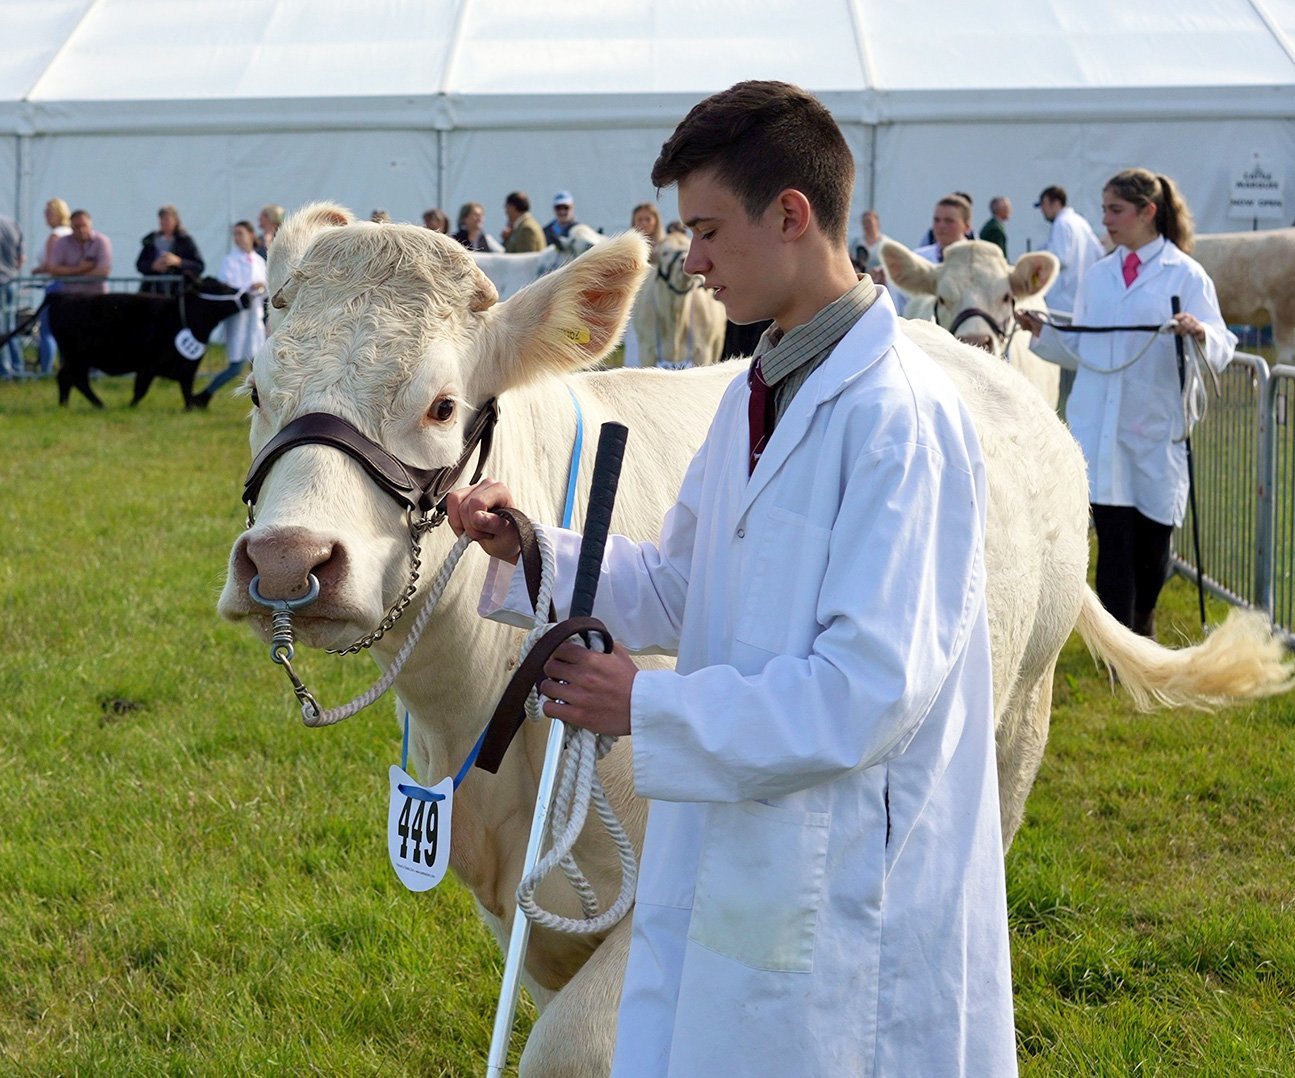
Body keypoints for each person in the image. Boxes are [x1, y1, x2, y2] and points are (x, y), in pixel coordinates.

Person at [448, 79, 1015, 1076]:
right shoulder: (760, 389)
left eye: (705, 230)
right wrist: (533, 550)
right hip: (746, 855)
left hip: (841, 886)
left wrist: (647, 705)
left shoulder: (895, 418)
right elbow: (679, 586)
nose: (690, 259)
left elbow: (866, 692)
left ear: (790, 215)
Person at [1017, 169, 1235, 639]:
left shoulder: (1185, 274)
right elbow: (1086, 347)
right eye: (1105, 210)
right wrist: (1046, 333)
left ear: (1147, 212)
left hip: (1152, 424)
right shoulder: (1099, 276)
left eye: (1116, 210)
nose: (1107, 220)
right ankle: (1120, 640)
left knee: (1153, 534)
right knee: (1111, 537)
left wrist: (1199, 332)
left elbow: (1223, 341)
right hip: (1102, 424)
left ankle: (1143, 620)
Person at [1034, 184, 1105, 413]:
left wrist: (1036, 263)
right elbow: (1099, 255)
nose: (1043, 212)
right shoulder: (1081, 223)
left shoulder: (1062, 224)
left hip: (1062, 300)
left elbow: (1059, 259)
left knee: (1063, 360)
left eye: (1044, 205)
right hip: (1080, 299)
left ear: (1054, 202)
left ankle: (1063, 405)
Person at [191, 220, 266, 409]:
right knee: (236, 367)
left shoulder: (259, 261)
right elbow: (225, 288)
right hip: (238, 318)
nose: (237, 238)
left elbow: (267, 285)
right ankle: (205, 394)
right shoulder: (230, 260)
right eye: (235, 234)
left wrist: (261, 288)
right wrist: (247, 290)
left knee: (257, 364)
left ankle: (263, 405)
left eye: (240, 233)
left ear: (251, 235)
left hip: (254, 317)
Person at [32, 197, 73, 376]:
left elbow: (51, 265)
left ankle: (46, 370)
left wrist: (37, 270)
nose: (45, 216)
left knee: (47, 330)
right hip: (71, 285)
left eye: (48, 212)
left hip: (54, 285)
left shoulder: (56, 235)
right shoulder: (71, 233)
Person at [136, 205, 204, 295]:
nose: (163, 222)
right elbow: (140, 264)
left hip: (178, 292)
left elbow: (199, 266)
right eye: (161, 219)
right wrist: (153, 266)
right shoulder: (151, 240)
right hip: (153, 291)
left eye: (166, 219)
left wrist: (179, 262)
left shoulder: (184, 241)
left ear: (175, 220)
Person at [45, 209, 111, 295]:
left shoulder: (101, 241)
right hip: (70, 296)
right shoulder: (62, 242)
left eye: (84, 225)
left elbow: (103, 271)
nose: (81, 230)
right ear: (71, 226)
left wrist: (71, 276)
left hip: (96, 297)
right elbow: (54, 269)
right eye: (77, 226)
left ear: (90, 225)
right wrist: (80, 269)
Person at [915, 193, 973, 263]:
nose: (941, 226)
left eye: (949, 221)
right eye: (937, 220)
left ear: (967, 226)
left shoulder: (977, 259)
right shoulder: (918, 258)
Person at [0, 212, 24, 379]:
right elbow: (21, 257)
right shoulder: (12, 224)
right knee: (10, 327)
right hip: (11, 281)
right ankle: (18, 367)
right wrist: (13, 273)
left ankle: (5, 370)